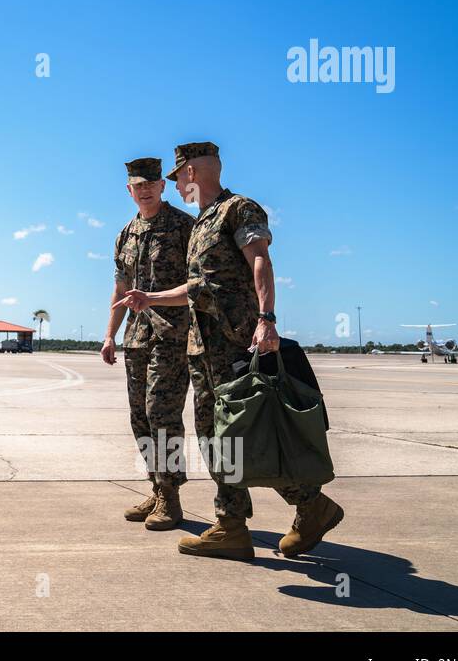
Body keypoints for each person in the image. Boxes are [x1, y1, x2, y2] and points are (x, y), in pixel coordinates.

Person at [114, 142, 344, 560]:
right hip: (201, 349)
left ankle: (309, 504)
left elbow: (260, 262)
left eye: (176, 176)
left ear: (193, 172)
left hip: (236, 341)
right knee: (215, 437)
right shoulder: (202, 223)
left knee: (247, 431)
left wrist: (267, 318)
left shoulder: (238, 209)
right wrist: (150, 298)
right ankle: (233, 527)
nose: (174, 184)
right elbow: (195, 288)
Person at [102, 157, 194, 530]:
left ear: (162, 186)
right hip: (136, 339)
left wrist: (155, 300)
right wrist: (110, 334)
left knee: (162, 414)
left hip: (173, 335)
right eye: (137, 185)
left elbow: (198, 285)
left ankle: (171, 499)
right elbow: (121, 288)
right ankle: (156, 488)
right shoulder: (125, 233)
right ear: (130, 190)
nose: (144, 189)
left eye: (150, 184)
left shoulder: (184, 228)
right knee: (139, 416)